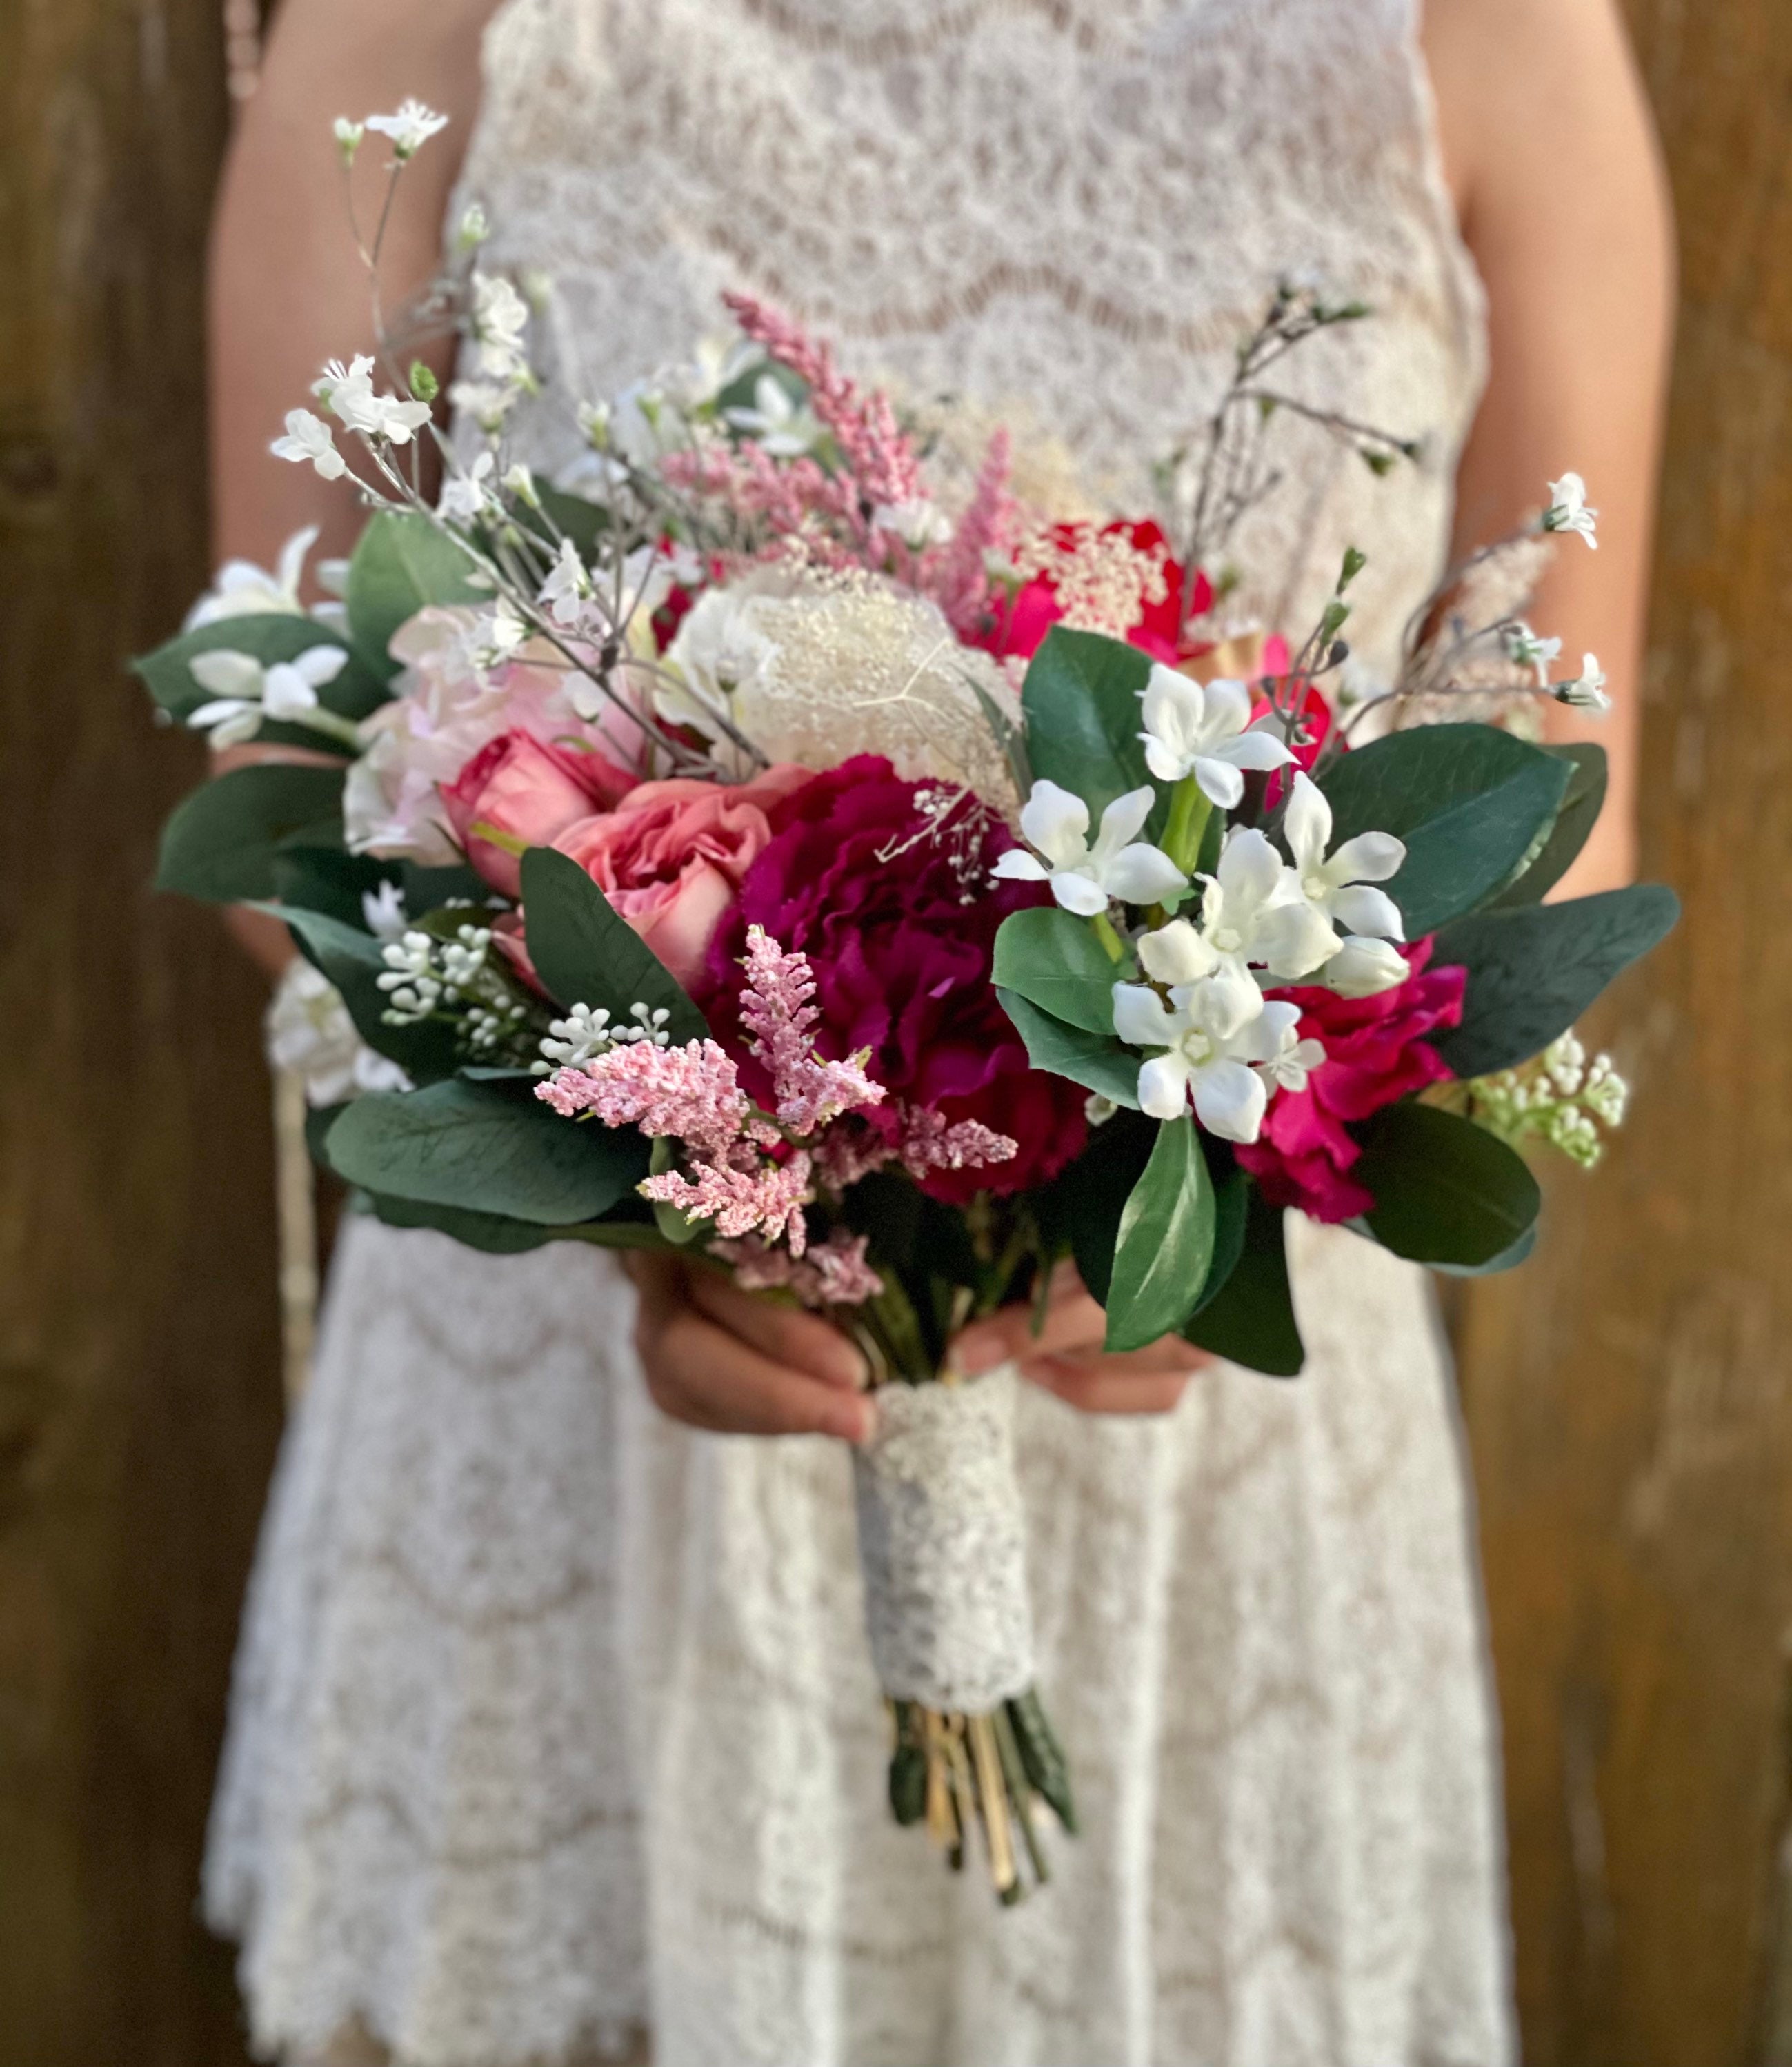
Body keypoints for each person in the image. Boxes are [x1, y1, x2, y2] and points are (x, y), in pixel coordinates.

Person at [201, 2, 1673, 2062]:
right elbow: (289, 781)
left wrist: (1213, 1201)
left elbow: (1541, 797)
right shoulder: (417, 23)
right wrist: (666, 1199)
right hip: (584, 1420)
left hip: (1196, 1410)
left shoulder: (1494, 33)